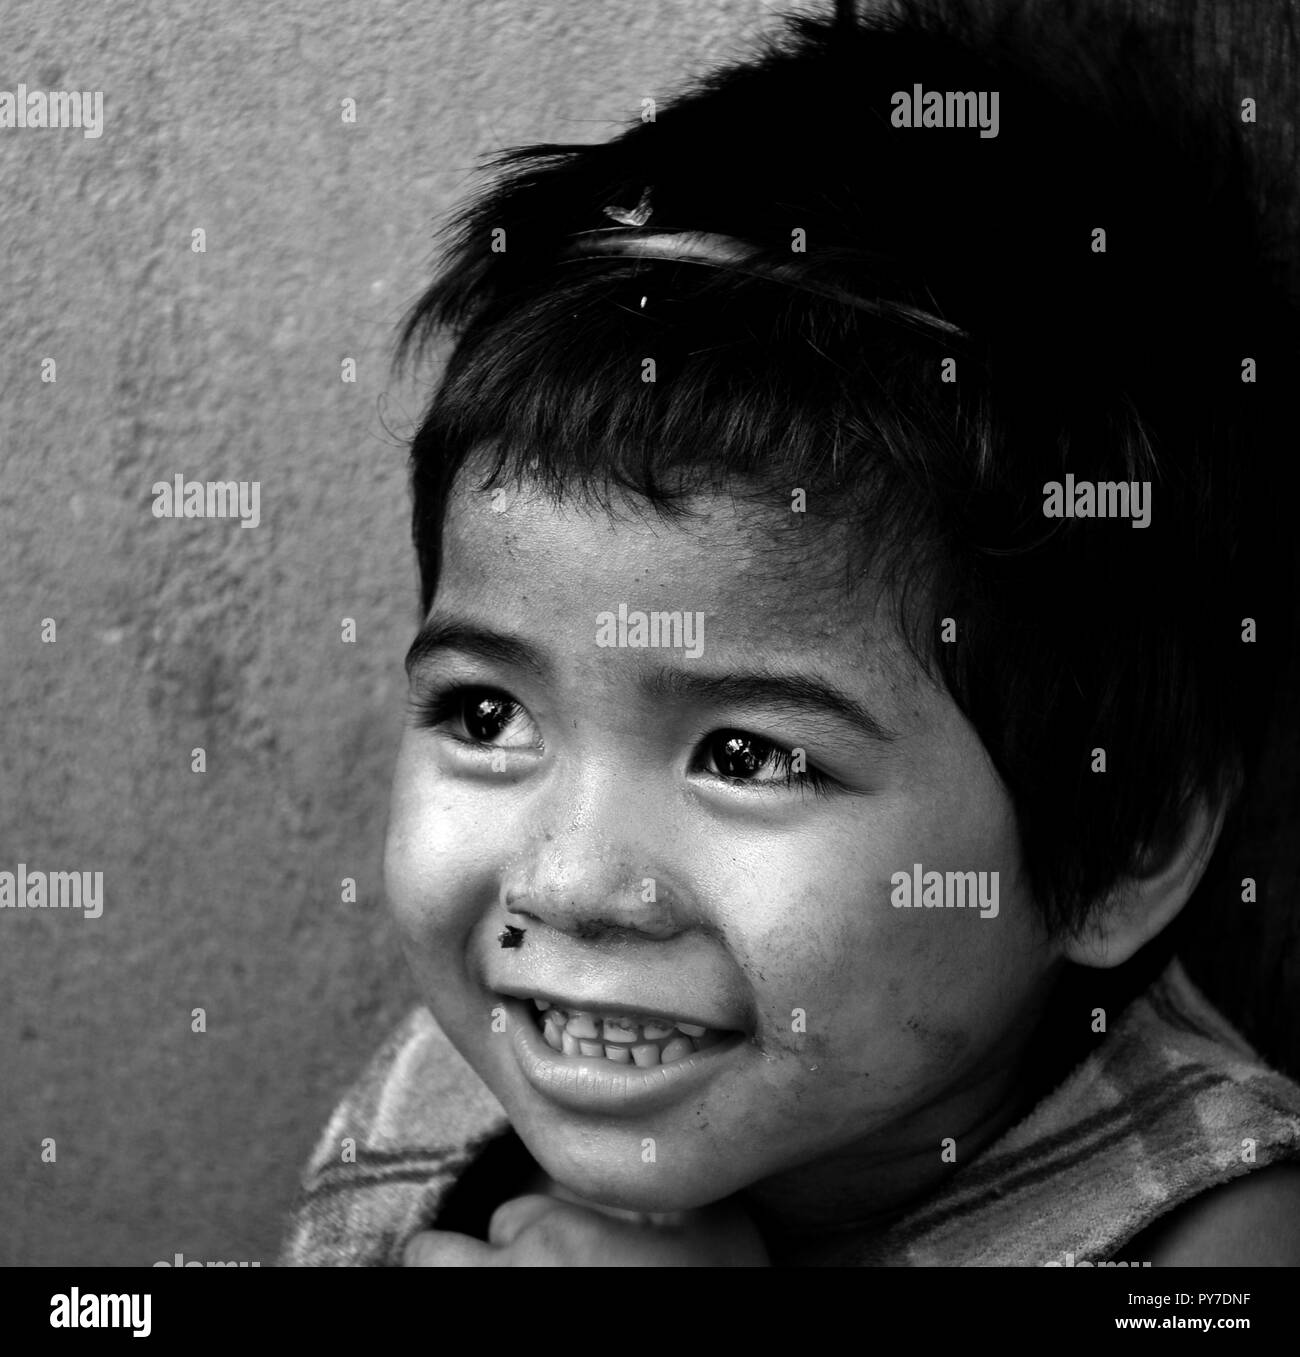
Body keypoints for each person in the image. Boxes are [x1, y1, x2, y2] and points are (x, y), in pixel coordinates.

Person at [280, 0, 1300, 1265]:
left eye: (750, 754)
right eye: (487, 716)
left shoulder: (1210, 1234)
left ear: (1125, 841)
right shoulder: (447, 1097)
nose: (568, 886)